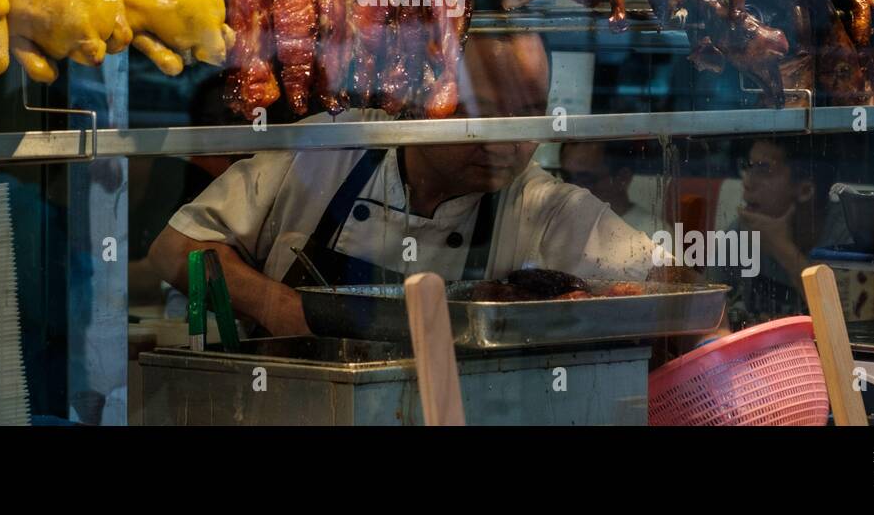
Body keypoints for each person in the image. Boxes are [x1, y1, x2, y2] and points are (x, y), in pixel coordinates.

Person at [147, 32, 659, 336]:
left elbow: (670, 290)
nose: (507, 142)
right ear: (420, 100)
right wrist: (278, 308)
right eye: (479, 113)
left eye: (528, 115)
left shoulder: (544, 206)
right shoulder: (328, 151)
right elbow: (175, 251)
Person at [720, 136, 874, 326]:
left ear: (805, 190)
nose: (747, 182)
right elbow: (710, 314)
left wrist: (783, 250)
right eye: (747, 166)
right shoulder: (742, 232)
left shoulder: (852, 235)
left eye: (764, 170)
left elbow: (849, 325)